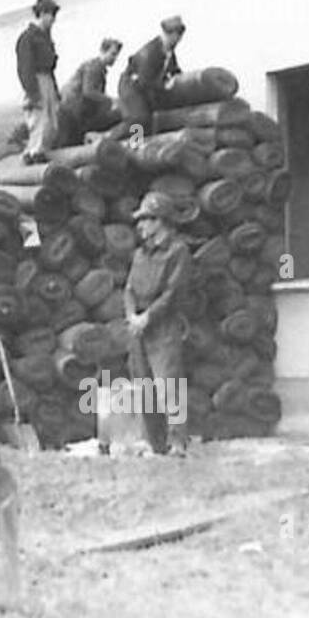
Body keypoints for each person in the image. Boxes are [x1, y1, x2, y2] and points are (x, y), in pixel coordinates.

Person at [123, 190, 194, 456]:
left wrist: (147, 317)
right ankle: (153, 443)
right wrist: (132, 316)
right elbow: (128, 288)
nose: (140, 226)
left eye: (146, 219)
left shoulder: (178, 251)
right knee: (143, 386)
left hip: (163, 327)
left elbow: (172, 293)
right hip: (139, 328)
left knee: (169, 385)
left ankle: (177, 442)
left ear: (160, 221)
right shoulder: (141, 254)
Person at [118, 16, 185, 132]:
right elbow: (145, 81)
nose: (179, 40)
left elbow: (174, 70)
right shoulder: (150, 53)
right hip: (131, 86)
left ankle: (143, 143)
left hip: (144, 85)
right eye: (176, 36)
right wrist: (164, 86)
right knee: (139, 118)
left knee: (152, 117)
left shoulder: (168, 50)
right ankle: (115, 140)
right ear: (167, 35)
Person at [15, 0, 61, 164]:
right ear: (42, 14)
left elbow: (50, 66)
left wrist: (54, 90)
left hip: (47, 78)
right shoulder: (28, 38)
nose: (53, 20)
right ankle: (35, 152)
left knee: (51, 119)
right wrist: (32, 92)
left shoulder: (45, 37)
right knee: (38, 117)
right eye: (51, 15)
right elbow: (25, 67)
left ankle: (41, 150)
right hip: (36, 79)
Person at [58, 38, 123, 145]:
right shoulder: (94, 67)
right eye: (112, 54)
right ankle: (135, 142)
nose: (114, 58)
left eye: (116, 55)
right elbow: (89, 92)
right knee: (121, 116)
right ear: (102, 51)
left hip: (75, 113)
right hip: (75, 114)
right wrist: (112, 101)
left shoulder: (95, 67)